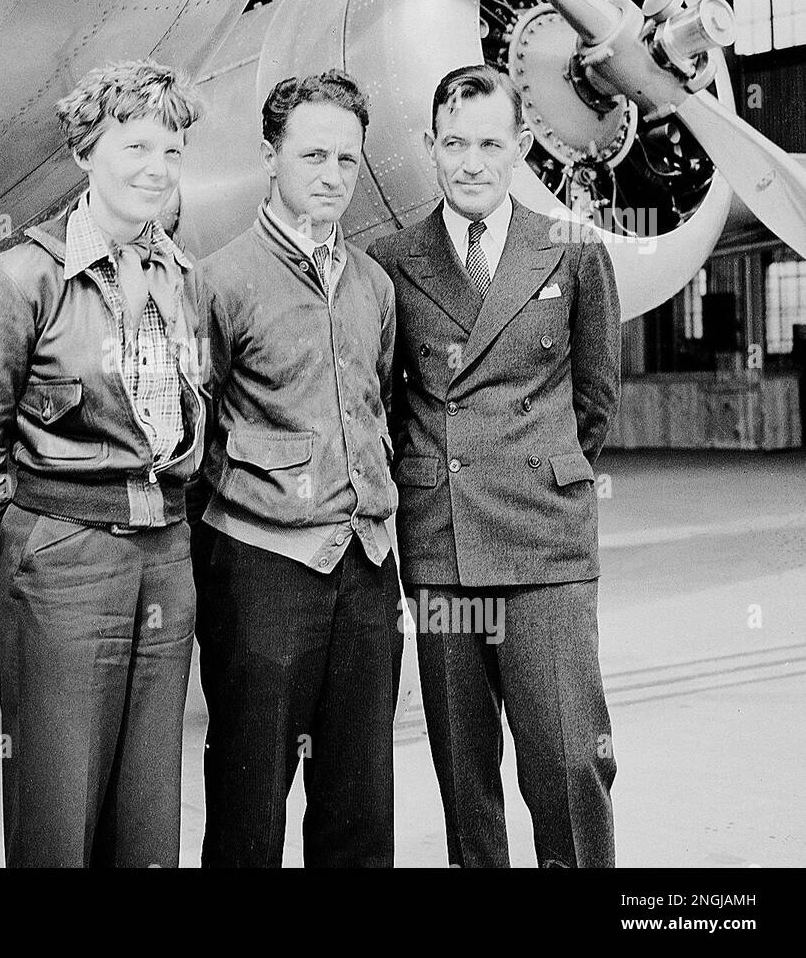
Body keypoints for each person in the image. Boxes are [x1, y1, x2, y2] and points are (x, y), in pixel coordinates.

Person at [0, 59, 205, 867]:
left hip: (165, 552)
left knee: (149, 814)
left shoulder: (180, 276)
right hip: (62, 553)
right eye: (134, 145)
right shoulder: (22, 278)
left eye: (170, 148)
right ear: (87, 152)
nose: (155, 168)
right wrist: (18, 564)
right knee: (57, 814)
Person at [370, 63, 622, 868]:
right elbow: (384, 398)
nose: (470, 161)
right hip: (443, 549)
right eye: (453, 143)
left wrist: (543, 471)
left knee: (569, 757)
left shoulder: (573, 251)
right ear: (429, 148)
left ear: (520, 146)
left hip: (545, 544)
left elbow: (595, 401)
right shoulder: (392, 260)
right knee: (465, 773)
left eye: (488, 142)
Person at [193, 69, 402, 868]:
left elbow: (376, 404)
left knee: (360, 804)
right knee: (249, 808)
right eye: (313, 156)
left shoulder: (375, 286)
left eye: (347, 161)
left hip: (367, 566)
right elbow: (192, 431)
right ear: (269, 157)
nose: (333, 177)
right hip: (262, 568)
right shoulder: (219, 280)